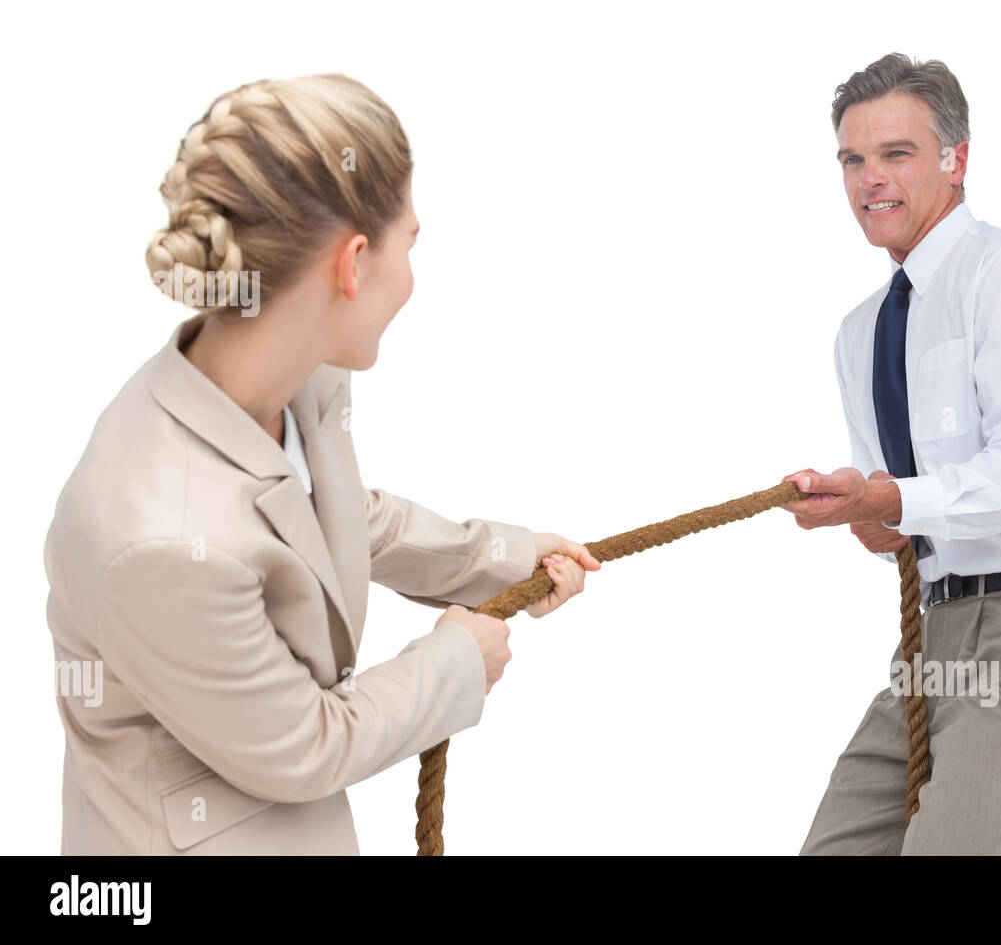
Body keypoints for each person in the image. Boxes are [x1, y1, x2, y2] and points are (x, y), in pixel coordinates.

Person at [43, 73, 600, 855]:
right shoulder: (158, 542)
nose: (413, 274)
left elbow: (330, 519)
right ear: (354, 263)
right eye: (412, 242)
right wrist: (453, 663)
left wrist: (502, 558)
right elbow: (305, 743)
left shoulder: (295, 374)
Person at [781, 53, 1001, 854]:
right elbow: (910, 515)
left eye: (896, 153)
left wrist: (891, 503)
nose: (870, 178)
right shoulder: (859, 332)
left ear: (957, 159)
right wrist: (872, 519)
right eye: (853, 159)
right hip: (933, 637)